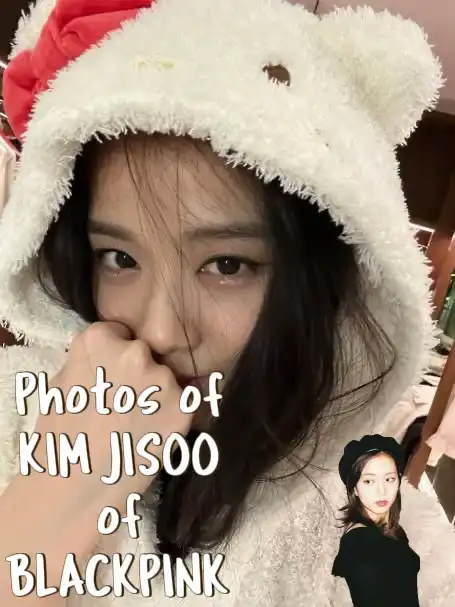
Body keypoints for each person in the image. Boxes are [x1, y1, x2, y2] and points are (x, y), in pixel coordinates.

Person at [0, 0, 454, 605]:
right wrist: (61, 489)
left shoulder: (387, 529)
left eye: (227, 265)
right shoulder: (13, 412)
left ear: (319, 284)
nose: (161, 331)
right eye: (120, 258)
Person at [332, 435, 421, 606]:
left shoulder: (394, 530)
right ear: (354, 489)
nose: (382, 491)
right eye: (369, 481)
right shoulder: (359, 544)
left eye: (389, 479)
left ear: (398, 480)